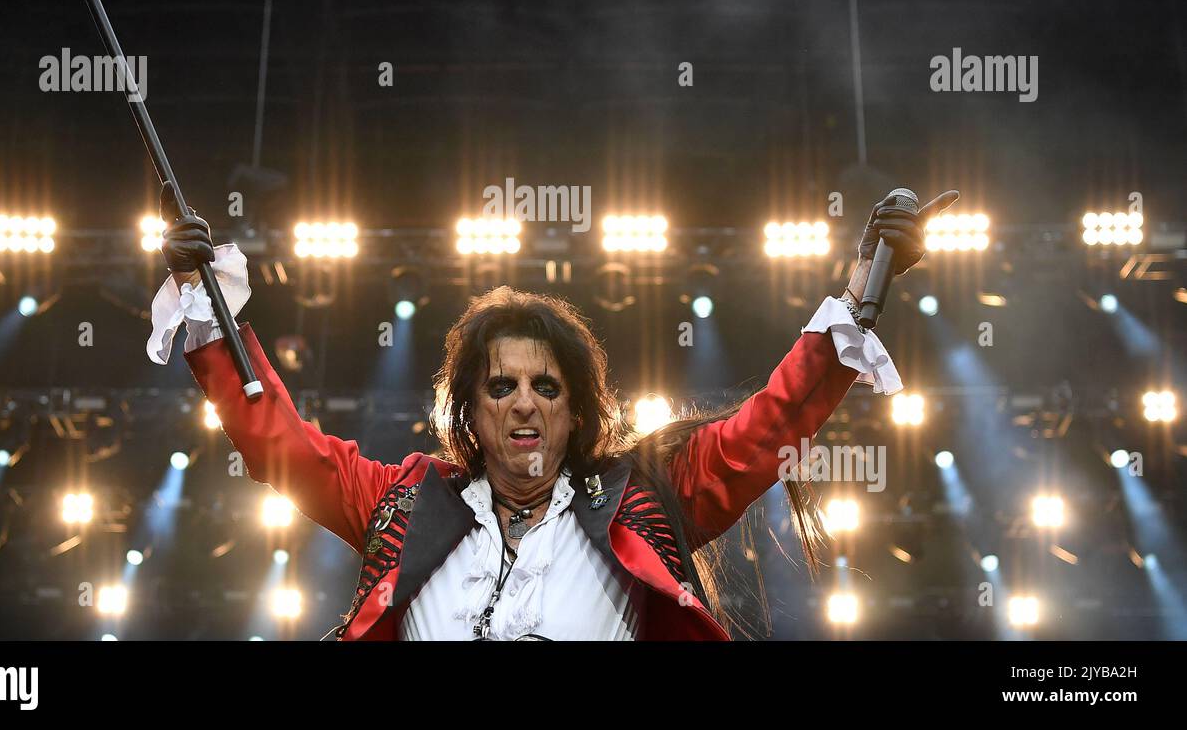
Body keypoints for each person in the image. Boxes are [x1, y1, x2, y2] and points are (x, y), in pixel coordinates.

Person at [147, 187, 957, 639]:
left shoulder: (645, 497)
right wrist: (204, 304)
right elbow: (278, 444)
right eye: (500, 387)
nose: (524, 403)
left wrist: (864, 289)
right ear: (468, 413)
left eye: (547, 386)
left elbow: (770, 426)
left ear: (578, 411)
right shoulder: (405, 499)